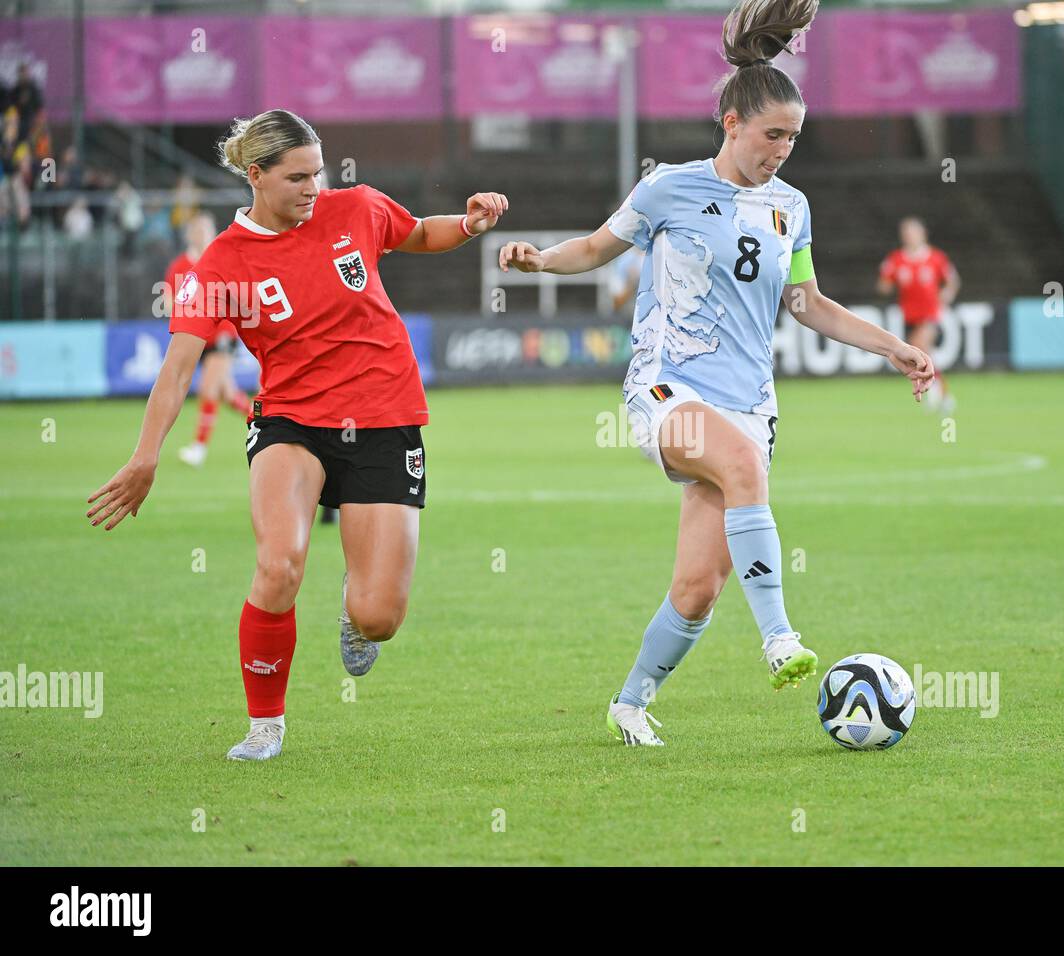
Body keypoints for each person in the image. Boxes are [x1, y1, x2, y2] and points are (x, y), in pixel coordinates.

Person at [500, 0, 934, 747]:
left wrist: (893, 346)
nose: (782, 150)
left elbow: (808, 304)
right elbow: (598, 249)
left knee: (698, 589)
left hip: (749, 401)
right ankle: (781, 641)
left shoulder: (790, 208)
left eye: (793, 138)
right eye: (772, 135)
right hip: (669, 384)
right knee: (739, 468)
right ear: (732, 124)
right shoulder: (669, 187)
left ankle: (631, 702)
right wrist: (539, 260)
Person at [87, 109, 510, 761]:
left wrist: (469, 224)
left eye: (318, 172)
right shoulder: (222, 265)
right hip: (291, 421)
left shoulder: (358, 209)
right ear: (255, 176)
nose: (315, 187)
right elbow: (177, 370)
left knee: (379, 618)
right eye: (298, 177)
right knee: (279, 563)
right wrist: (146, 458)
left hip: (385, 417)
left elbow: (420, 233)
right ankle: (265, 726)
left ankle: (354, 609)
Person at [158, 212, 254, 467]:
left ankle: (198, 448)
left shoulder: (220, 256)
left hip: (223, 333)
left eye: (206, 229)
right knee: (227, 394)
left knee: (208, 388)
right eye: (197, 230)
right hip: (199, 338)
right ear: (190, 235)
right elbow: (168, 301)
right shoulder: (179, 266)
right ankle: (261, 421)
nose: (202, 234)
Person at [877, 216, 959, 414]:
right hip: (909, 317)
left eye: (912, 232)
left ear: (922, 234)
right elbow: (883, 286)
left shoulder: (936, 258)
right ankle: (943, 394)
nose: (909, 236)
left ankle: (934, 392)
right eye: (906, 233)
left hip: (930, 315)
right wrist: (886, 281)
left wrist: (947, 293)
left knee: (920, 346)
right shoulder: (896, 259)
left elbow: (953, 280)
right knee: (924, 355)